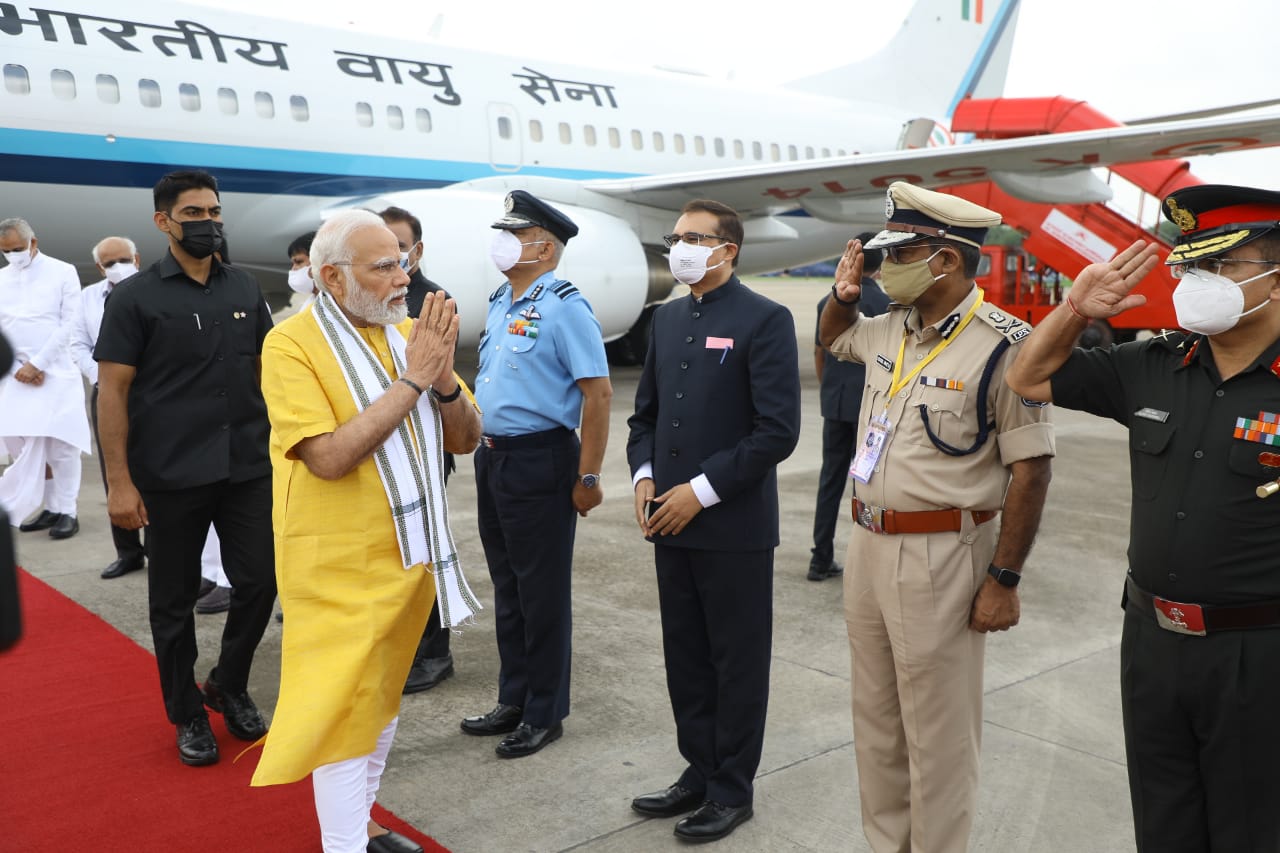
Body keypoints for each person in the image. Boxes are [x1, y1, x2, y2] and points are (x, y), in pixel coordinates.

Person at [1005, 184, 1280, 853]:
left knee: (1253, 831)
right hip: (1150, 641)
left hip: (1259, 654)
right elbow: (1028, 377)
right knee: (1163, 824)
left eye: (1220, 265)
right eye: (1189, 265)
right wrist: (1075, 308)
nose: (1196, 282)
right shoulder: (1152, 365)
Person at [817, 182, 1055, 853]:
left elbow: (1031, 469)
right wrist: (840, 297)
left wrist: (1002, 577)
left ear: (945, 260)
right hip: (866, 542)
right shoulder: (891, 324)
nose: (884, 266)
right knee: (878, 721)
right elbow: (836, 343)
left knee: (939, 735)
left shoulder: (1007, 346)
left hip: (942, 554)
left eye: (901, 251)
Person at [251, 210, 481, 853]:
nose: (402, 277)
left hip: (409, 555)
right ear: (331, 276)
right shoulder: (289, 344)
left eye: (402, 260)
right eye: (383, 266)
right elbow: (327, 457)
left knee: (378, 704)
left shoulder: (407, 332)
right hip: (335, 564)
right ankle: (345, 843)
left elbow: (465, 438)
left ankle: (365, 827)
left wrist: (439, 379)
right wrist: (413, 378)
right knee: (341, 712)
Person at [627, 198, 801, 843]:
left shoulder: (765, 318)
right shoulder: (667, 319)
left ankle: (733, 788)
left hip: (731, 527)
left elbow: (776, 432)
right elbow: (644, 417)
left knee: (736, 662)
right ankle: (698, 772)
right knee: (687, 657)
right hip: (666, 521)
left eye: (694, 238)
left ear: (728, 249)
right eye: (675, 237)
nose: (680, 247)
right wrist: (645, 479)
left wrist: (698, 492)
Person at [94, 170, 276, 767]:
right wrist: (120, 484)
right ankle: (187, 713)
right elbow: (113, 393)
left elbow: (265, 377)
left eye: (213, 212)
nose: (207, 223)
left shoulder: (245, 289)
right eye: (193, 213)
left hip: (246, 466)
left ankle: (228, 682)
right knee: (171, 604)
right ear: (163, 221)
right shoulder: (134, 298)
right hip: (171, 476)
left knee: (261, 582)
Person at [462, 190, 612, 758]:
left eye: (516, 232)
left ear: (544, 246)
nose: (503, 240)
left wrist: (589, 477)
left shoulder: (565, 304)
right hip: (494, 457)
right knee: (508, 585)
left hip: (541, 459)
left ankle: (545, 712)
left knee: (541, 592)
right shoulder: (502, 298)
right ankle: (514, 698)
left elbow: (596, 395)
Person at [379, 205, 457, 694]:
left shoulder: (431, 302)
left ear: (417, 251)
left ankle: (435, 650)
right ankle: (402, 642)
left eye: (398, 247)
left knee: (426, 550)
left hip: (425, 450)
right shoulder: (367, 298)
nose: (390, 258)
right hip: (382, 447)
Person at [0, 218, 89, 540]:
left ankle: (67, 510)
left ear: (33, 243)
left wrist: (38, 364)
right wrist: (17, 368)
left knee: (61, 446)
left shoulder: (62, 272)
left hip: (55, 373)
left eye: (18, 249)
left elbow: (69, 324)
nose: (13, 256)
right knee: (20, 444)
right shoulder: (1, 279)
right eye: (6, 251)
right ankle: (50, 506)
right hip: (13, 376)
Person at [809, 233, 890, 581]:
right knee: (868, 483)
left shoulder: (829, 302)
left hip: (835, 402)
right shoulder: (887, 307)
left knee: (830, 480)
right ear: (882, 264)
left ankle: (820, 556)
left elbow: (821, 351)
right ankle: (866, 561)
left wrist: (830, 387)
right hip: (868, 411)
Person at [69, 236, 146, 573]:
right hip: (108, 392)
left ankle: (161, 550)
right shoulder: (88, 298)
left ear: (137, 258)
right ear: (99, 267)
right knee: (113, 468)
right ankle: (128, 552)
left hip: (150, 393)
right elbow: (78, 344)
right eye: (110, 263)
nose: (117, 267)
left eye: (123, 260)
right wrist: (102, 379)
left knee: (155, 466)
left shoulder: (155, 291)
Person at [286, 230, 318, 302]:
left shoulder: (341, 307)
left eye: (298, 262)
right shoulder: (313, 301)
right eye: (293, 264)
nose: (293, 269)